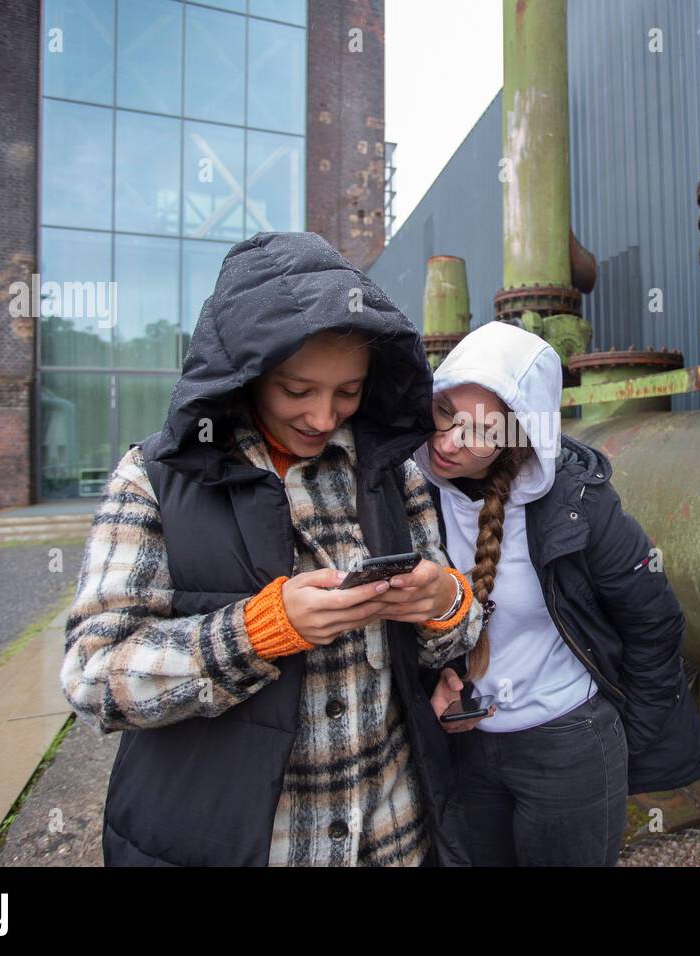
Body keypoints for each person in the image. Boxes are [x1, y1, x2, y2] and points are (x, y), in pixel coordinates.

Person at [61, 231, 483, 867]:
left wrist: (446, 603)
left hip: (392, 837)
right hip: (243, 844)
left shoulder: (392, 473)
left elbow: (450, 641)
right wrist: (259, 631)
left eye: (349, 391)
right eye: (296, 390)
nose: (322, 416)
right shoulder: (153, 478)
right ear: (247, 372)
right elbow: (94, 678)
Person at [414, 320, 700, 867]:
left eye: (481, 430)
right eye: (445, 413)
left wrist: (632, 738)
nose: (450, 441)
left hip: (568, 747)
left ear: (520, 436)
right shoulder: (409, 494)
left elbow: (654, 620)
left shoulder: (579, 503)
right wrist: (432, 684)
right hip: (467, 748)